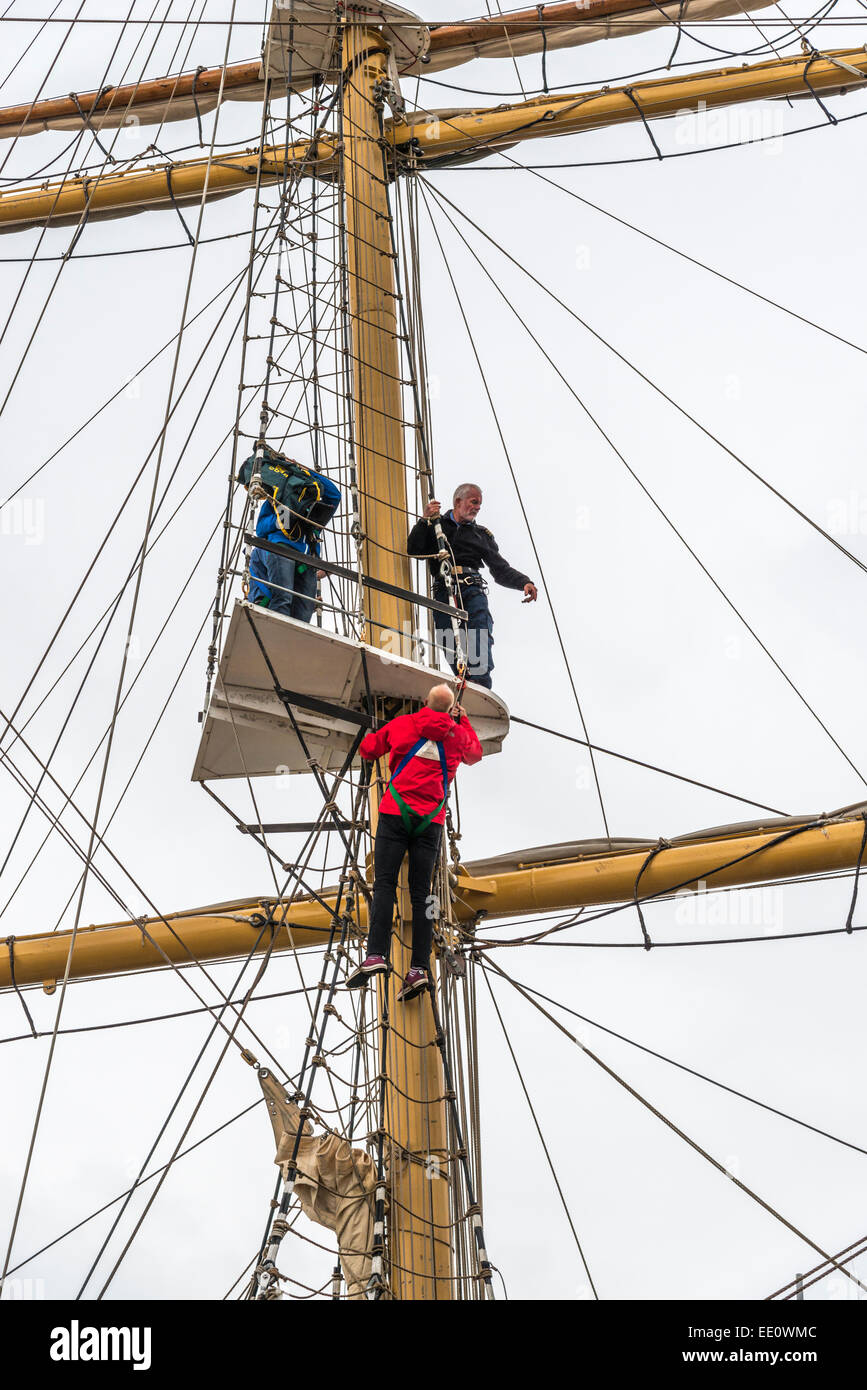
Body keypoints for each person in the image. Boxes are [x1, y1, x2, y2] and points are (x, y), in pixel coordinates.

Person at [347, 683, 482, 1002]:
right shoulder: (458, 736)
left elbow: (368, 750)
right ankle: (418, 969)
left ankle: (376, 955)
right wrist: (462, 722)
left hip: (395, 813)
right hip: (430, 822)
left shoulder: (403, 725)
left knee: (384, 886)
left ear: (424, 703)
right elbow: (475, 754)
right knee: (424, 895)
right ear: (451, 709)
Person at [406, 483, 538, 690]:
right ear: (458, 501)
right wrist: (424, 520)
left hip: (472, 588)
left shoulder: (480, 535)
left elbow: (499, 568)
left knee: (479, 634)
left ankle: (480, 684)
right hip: (444, 589)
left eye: (479, 504)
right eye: (474, 502)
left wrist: (524, 582)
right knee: (448, 637)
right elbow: (414, 550)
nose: (477, 508)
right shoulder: (436, 525)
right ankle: (463, 680)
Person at [240, 444, 340, 623]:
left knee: (304, 609)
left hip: (305, 559)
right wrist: (282, 520)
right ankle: (276, 638)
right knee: (283, 599)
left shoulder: (313, 509)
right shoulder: (278, 501)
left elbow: (334, 495)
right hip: (281, 549)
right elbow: (262, 529)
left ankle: (292, 644)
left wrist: (305, 472)